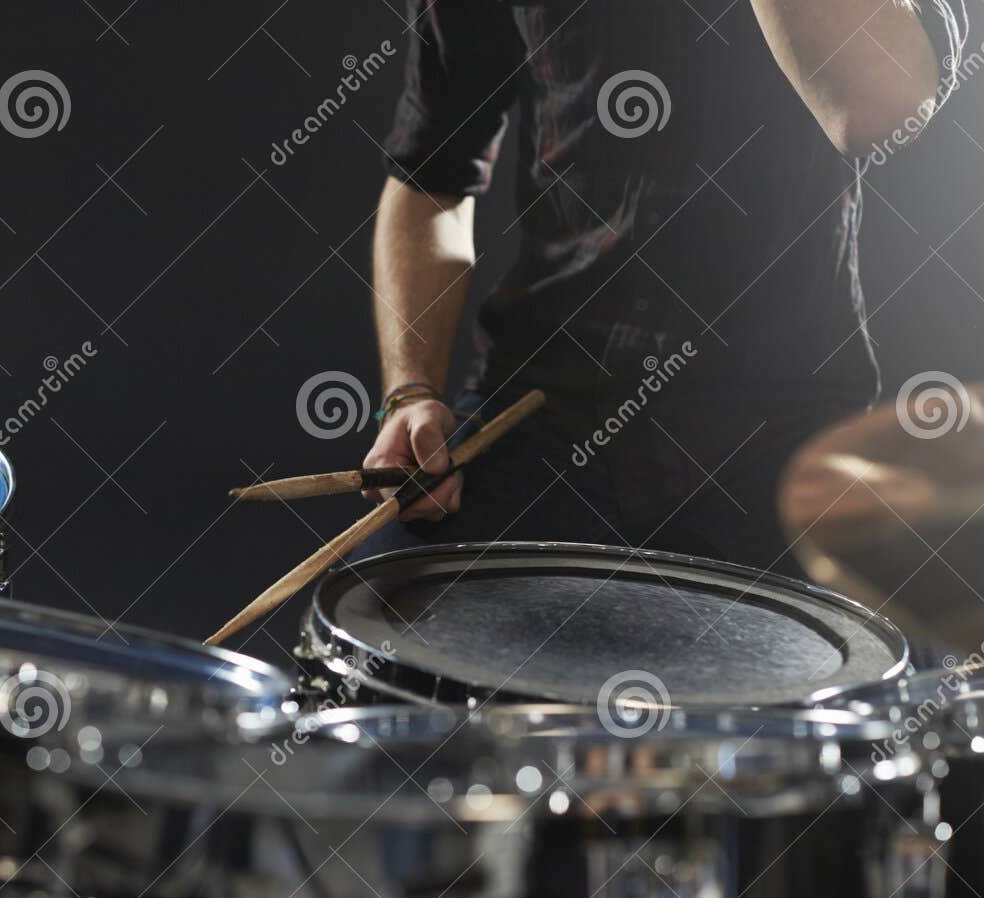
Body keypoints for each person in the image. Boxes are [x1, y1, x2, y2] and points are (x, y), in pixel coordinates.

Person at [359, 0, 967, 575]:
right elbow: (429, 174)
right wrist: (410, 394)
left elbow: (873, 105)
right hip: (542, 413)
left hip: (776, 442)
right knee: (371, 650)